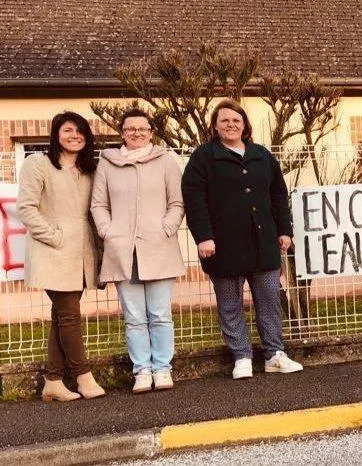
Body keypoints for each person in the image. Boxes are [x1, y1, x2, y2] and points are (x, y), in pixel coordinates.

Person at [181, 99, 303, 379]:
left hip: (264, 243)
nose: (231, 125)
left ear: (245, 125)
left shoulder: (262, 155)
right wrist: (204, 237)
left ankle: (274, 354)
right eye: (224, 120)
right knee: (230, 303)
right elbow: (194, 199)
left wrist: (284, 230)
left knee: (270, 299)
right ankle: (242, 356)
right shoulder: (203, 158)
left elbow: (278, 194)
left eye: (236, 120)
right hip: (223, 246)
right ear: (215, 126)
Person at [91, 109, 186, 393]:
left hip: (158, 248)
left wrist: (166, 228)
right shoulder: (107, 163)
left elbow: (177, 202)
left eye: (142, 128)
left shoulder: (165, 161)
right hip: (122, 250)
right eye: (130, 128)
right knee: (134, 318)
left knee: (160, 314)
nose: (136, 133)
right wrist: (108, 231)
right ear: (122, 133)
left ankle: (163, 368)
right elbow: (98, 204)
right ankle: (142, 370)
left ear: (151, 132)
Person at [17, 112, 106, 401]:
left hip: (81, 254)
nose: (74, 136)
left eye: (80, 131)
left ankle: (53, 380)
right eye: (68, 130)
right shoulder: (38, 164)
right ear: (56, 134)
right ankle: (83, 376)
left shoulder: (88, 170)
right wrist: (54, 236)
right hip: (52, 251)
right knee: (69, 315)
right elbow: (26, 208)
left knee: (61, 316)